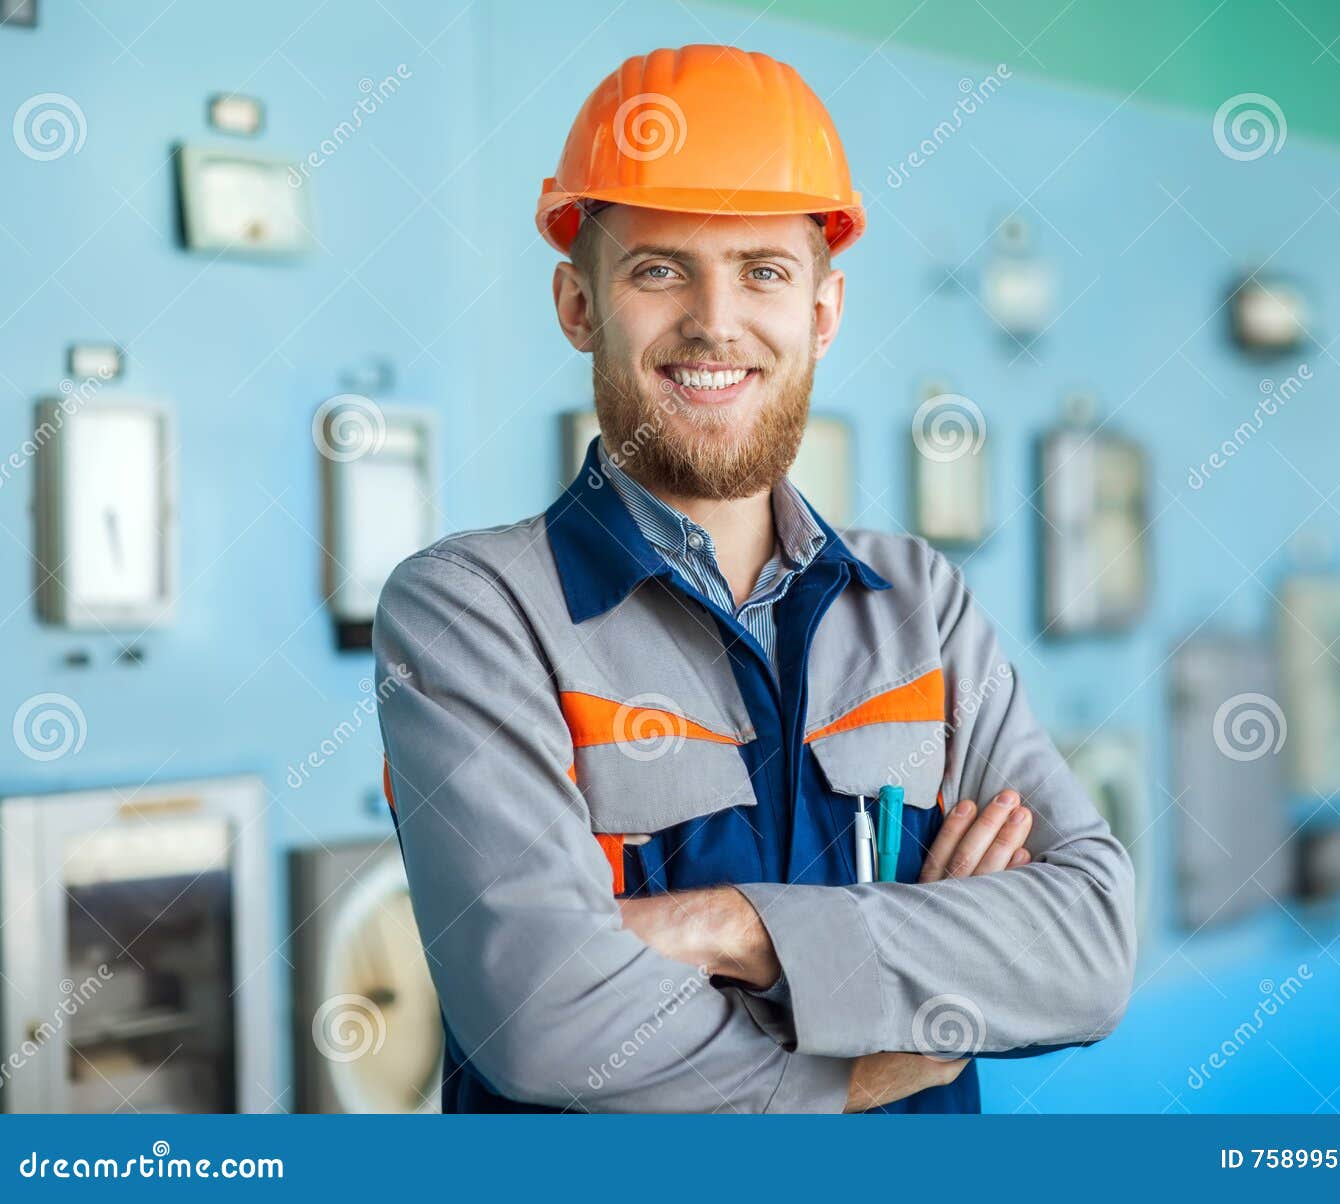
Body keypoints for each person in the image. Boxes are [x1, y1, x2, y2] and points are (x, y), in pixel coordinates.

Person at [374, 43, 1135, 1114]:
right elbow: (543, 1017)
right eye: (658, 268)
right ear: (578, 306)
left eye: (762, 272)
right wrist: (866, 1051)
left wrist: (729, 925)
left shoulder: (916, 605)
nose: (715, 322)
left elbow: (1087, 952)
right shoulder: (474, 612)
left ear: (821, 311)